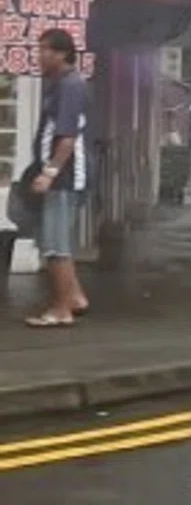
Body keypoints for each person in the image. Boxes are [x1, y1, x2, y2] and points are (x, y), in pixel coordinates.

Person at [26, 28, 90, 327]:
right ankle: (74, 297)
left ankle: (61, 309)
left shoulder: (70, 86)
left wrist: (50, 173)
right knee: (51, 238)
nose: (39, 56)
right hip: (59, 174)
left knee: (56, 245)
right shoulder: (61, 84)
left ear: (63, 54)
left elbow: (67, 136)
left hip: (64, 176)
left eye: (45, 50)